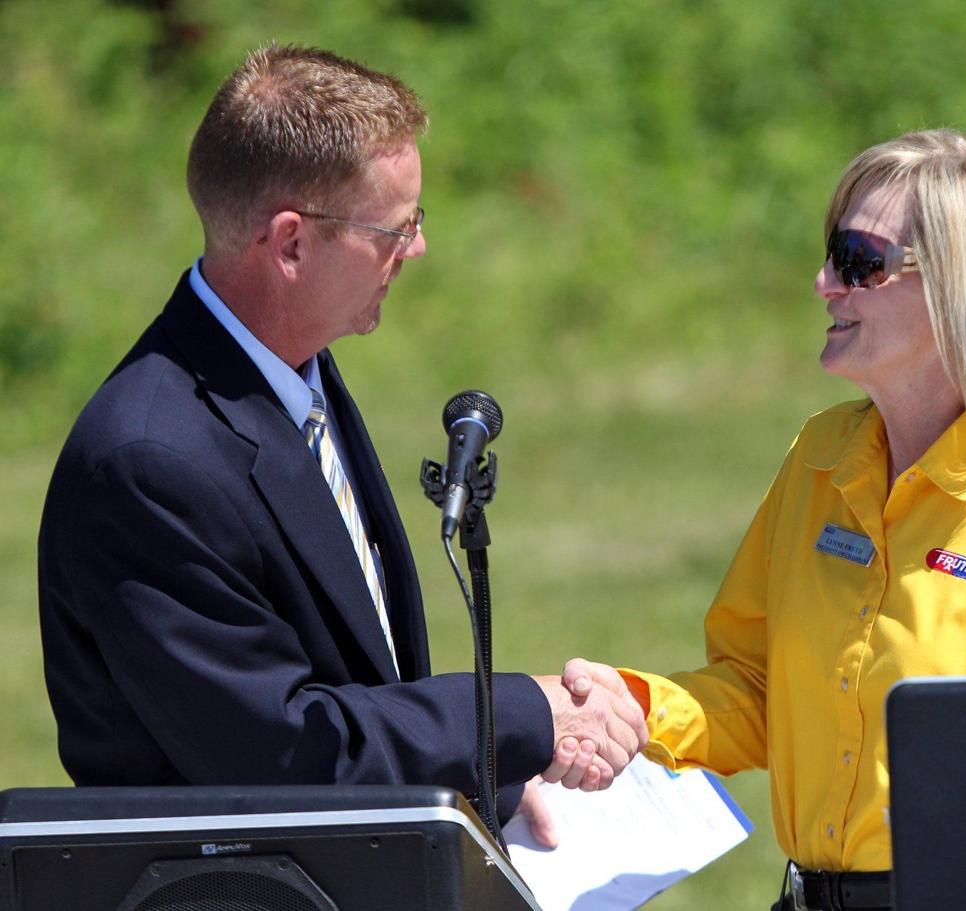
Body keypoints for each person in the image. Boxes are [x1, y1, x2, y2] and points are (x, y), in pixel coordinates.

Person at [37, 45, 644, 841]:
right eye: (397, 227)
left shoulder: (295, 366)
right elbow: (286, 755)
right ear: (291, 244)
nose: (417, 248)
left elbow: (354, 676)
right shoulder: (148, 464)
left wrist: (476, 787)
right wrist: (517, 714)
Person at [563, 129, 966, 908]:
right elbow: (758, 691)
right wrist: (628, 706)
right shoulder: (822, 455)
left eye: (859, 260)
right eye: (831, 253)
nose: (823, 282)